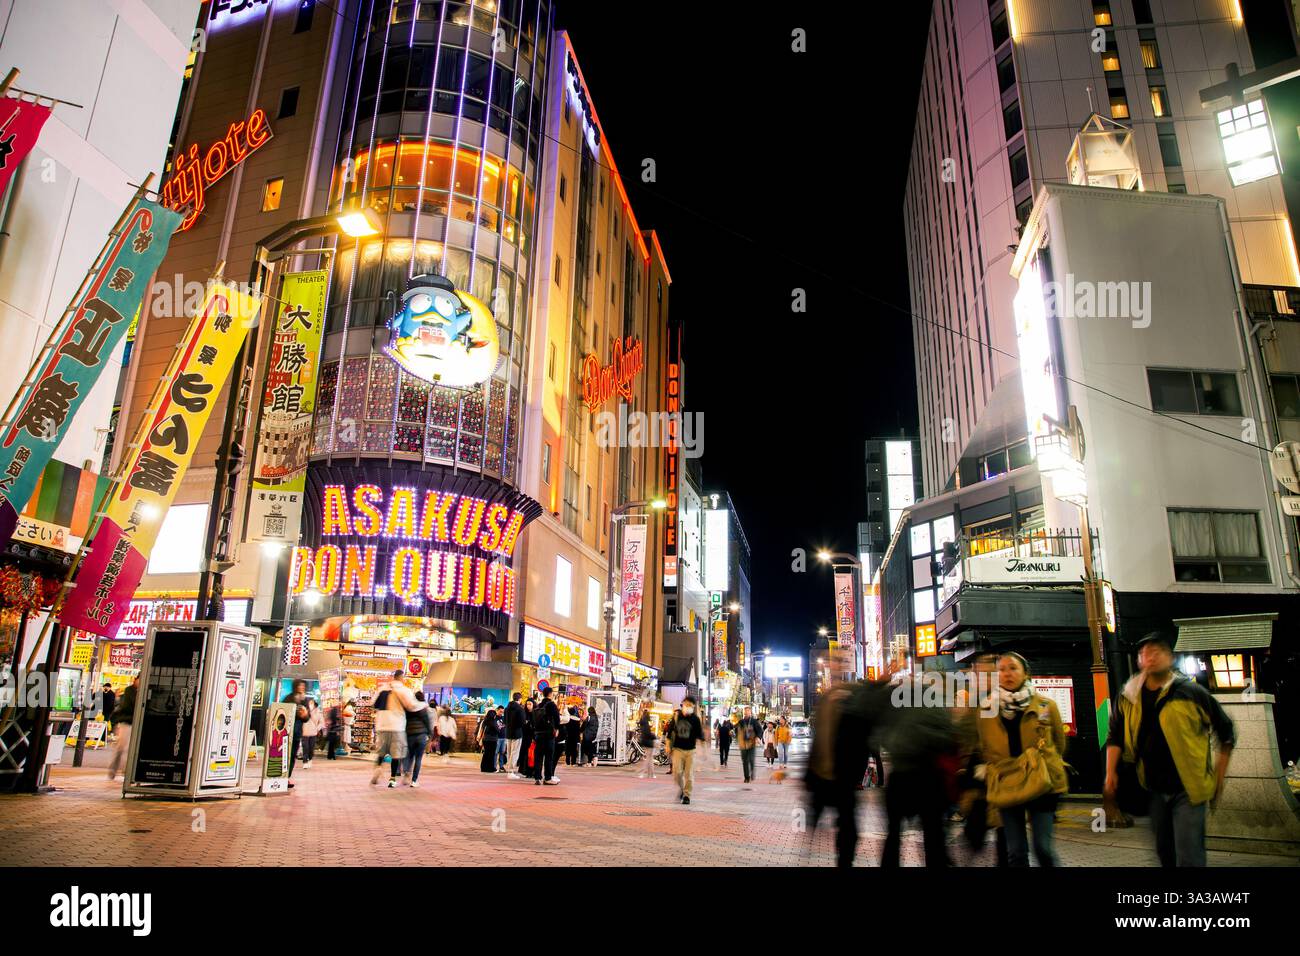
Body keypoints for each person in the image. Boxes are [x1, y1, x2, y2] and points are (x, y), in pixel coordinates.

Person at [1105, 631, 1235, 868]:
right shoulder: (1127, 696)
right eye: (1144, 653)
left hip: (1189, 788)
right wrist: (1110, 773)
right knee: (1164, 852)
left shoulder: (1192, 693)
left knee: (1188, 855)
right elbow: (1115, 735)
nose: (1150, 657)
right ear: (1138, 660)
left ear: (1170, 658)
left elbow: (1226, 731)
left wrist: (1219, 776)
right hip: (1153, 787)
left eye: (1156, 651)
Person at [974, 652, 1069, 867]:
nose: (1007, 673)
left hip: (1042, 782)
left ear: (1025, 672)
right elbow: (984, 746)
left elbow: (1059, 744)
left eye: (1013, 668)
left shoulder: (1045, 705)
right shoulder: (986, 709)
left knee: (1043, 848)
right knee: (1015, 851)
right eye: (1002, 669)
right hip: (1007, 783)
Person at [805, 683, 873, 867]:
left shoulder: (856, 712)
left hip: (845, 779)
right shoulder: (824, 704)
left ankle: (844, 860)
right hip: (823, 777)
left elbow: (863, 746)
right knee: (833, 825)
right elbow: (817, 743)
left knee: (848, 829)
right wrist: (809, 776)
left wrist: (856, 776)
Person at [371, 672, 414, 788]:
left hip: (382, 726)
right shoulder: (405, 690)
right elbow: (411, 707)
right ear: (401, 678)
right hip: (397, 727)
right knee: (396, 755)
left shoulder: (382, 689)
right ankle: (392, 779)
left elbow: (373, 704)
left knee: (381, 752)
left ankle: (378, 769)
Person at [667, 697, 705, 803]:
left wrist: (703, 750)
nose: (688, 707)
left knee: (689, 774)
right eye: (686, 704)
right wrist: (667, 745)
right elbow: (669, 733)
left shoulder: (695, 719)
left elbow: (700, 736)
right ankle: (682, 789)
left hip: (691, 751)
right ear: (682, 704)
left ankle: (687, 795)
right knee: (677, 773)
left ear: (693, 707)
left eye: (690, 705)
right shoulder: (676, 717)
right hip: (678, 749)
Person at [106, 677, 137, 781]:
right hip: (126, 722)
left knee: (130, 749)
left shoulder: (141, 690)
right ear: (135, 680)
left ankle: (126, 771)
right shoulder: (129, 690)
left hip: (135, 723)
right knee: (121, 748)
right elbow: (128, 707)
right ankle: (113, 770)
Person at [404, 690, 435, 787]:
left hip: (410, 735)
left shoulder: (409, 708)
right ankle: (414, 781)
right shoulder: (423, 708)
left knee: (410, 756)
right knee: (418, 758)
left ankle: (407, 773)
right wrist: (430, 733)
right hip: (421, 735)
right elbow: (427, 721)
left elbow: (405, 721)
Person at [281, 680, 312, 778]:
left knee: (293, 755)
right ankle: (281, 776)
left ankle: (287, 777)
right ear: (295, 686)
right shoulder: (289, 698)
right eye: (300, 685)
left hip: (297, 732)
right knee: (284, 754)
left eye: (303, 686)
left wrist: (304, 715)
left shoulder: (305, 700)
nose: (302, 687)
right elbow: (282, 712)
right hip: (286, 730)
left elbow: (307, 718)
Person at [531, 686, 561, 785]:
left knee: (538, 756)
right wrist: (556, 729)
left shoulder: (538, 705)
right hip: (548, 735)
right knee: (549, 756)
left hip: (538, 734)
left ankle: (537, 777)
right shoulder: (551, 705)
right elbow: (557, 719)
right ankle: (547, 778)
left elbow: (533, 721)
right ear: (550, 694)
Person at [735, 707, 763, 783]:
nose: (746, 712)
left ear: (750, 712)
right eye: (745, 711)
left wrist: (758, 737)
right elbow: (736, 730)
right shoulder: (741, 721)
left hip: (751, 744)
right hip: (743, 744)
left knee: (751, 760)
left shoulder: (754, 721)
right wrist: (734, 733)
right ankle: (746, 777)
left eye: (748, 711)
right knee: (745, 761)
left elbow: (760, 730)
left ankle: (752, 773)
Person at [504, 692, 526, 778]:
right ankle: (511, 771)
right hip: (517, 733)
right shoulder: (520, 709)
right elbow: (522, 722)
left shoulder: (507, 708)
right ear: (520, 699)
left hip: (508, 732)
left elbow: (505, 721)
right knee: (515, 752)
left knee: (509, 752)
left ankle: (509, 770)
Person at [300, 694, 323, 768]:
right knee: (305, 747)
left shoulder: (318, 711)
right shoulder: (304, 709)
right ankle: (305, 762)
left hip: (313, 732)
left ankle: (310, 759)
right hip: (305, 732)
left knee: (311, 748)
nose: (311, 703)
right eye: (309, 702)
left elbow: (322, 722)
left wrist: (317, 728)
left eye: (312, 702)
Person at [478, 706, 502, 773]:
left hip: (485, 739)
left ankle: (483, 767)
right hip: (492, 740)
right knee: (491, 755)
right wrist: (499, 728)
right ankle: (490, 768)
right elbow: (497, 730)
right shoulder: (493, 722)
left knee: (486, 754)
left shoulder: (485, 721)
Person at [637, 706, 657, 779]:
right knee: (649, 759)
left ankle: (648, 774)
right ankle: (649, 774)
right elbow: (648, 733)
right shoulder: (646, 723)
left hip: (646, 742)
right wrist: (654, 737)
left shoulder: (643, 722)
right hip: (649, 742)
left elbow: (646, 733)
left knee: (649, 759)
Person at [518, 698, 536, 776]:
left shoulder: (536, 713)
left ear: (533, 705)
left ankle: (531, 771)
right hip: (524, 737)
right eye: (527, 704)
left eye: (530, 704)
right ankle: (523, 770)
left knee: (531, 755)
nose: (528, 706)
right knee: (524, 753)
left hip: (533, 737)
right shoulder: (524, 713)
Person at [564, 700, 582, 767]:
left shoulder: (567, 719)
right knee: (574, 749)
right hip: (575, 737)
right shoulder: (577, 720)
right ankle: (573, 762)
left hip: (568, 736)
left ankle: (567, 762)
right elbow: (578, 730)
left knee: (568, 749)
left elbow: (565, 728)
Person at [493, 704, 508, 772]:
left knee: (502, 752)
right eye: (500, 711)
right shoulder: (494, 718)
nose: (501, 713)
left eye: (502, 712)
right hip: (497, 738)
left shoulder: (504, 718)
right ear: (497, 710)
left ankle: (501, 766)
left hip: (504, 737)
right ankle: (494, 766)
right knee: (495, 753)